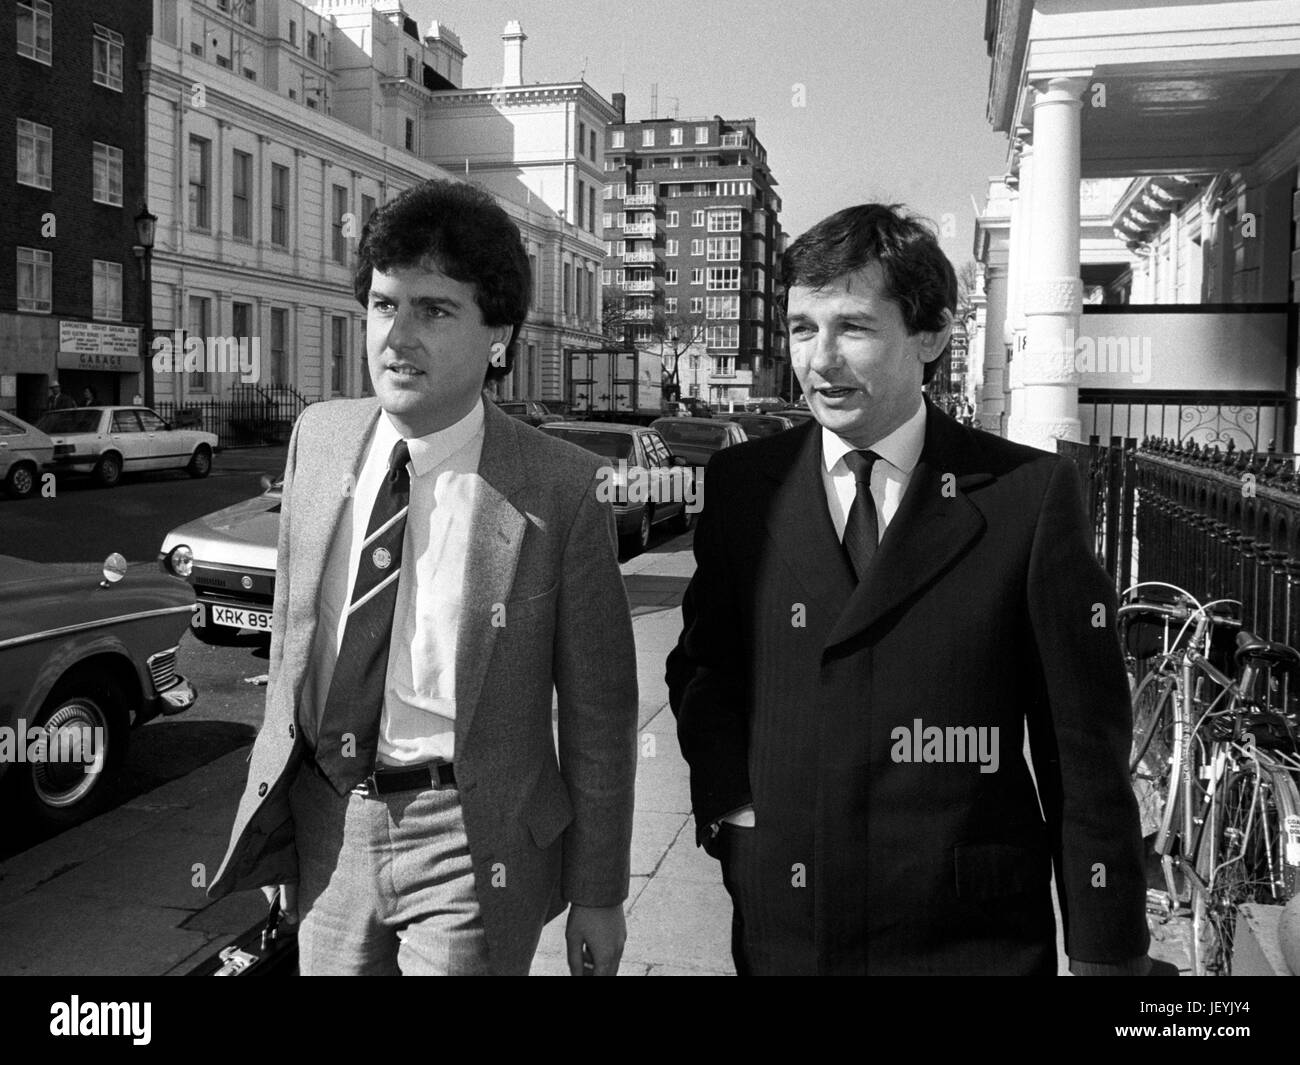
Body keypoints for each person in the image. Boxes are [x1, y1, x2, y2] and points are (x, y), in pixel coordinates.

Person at [666, 203, 1151, 975]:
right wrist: (736, 811)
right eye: (800, 327)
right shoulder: (743, 485)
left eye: (852, 327)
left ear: (929, 336)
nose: (819, 359)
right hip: (790, 926)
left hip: (969, 935)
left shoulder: (1027, 495)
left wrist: (1106, 946)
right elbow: (702, 668)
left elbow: (1081, 745)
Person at [209, 178, 639, 976]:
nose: (395, 337)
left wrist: (600, 891)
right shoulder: (319, 438)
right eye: (382, 305)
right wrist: (270, 824)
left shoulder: (561, 490)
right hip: (330, 822)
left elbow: (600, 716)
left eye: (433, 310)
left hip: (471, 839)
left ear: (499, 334)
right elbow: (291, 651)